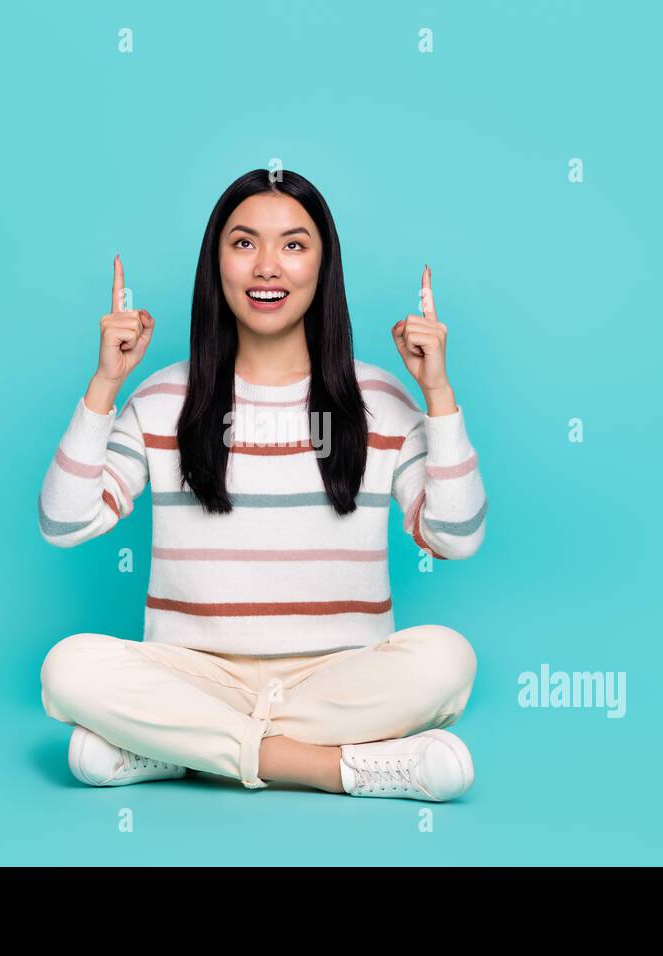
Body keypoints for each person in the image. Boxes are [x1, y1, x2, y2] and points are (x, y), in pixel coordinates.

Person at [37, 169, 488, 801]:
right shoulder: (165, 397)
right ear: (215, 263)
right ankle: (329, 768)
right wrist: (105, 385)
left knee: (448, 661)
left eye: (294, 245)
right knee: (67, 669)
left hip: (337, 677)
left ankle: (180, 750)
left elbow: (456, 536)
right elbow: (64, 523)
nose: (268, 266)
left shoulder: (379, 401)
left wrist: (437, 396)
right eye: (244, 243)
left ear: (323, 267)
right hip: (194, 675)